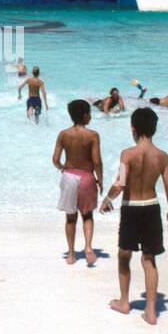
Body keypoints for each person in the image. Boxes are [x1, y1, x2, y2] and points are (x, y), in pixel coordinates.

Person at [101, 107, 168, 326]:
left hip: (131, 208)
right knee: (149, 259)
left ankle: (125, 302)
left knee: (124, 255)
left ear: (133, 129)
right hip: (152, 207)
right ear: (155, 129)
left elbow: (120, 183)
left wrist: (107, 199)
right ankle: (151, 311)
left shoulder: (128, 154)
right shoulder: (162, 156)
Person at [52, 100, 103, 267]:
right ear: (85, 115)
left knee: (70, 218)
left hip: (69, 176)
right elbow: (97, 161)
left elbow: (55, 160)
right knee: (87, 215)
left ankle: (72, 254)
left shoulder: (63, 134)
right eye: (90, 113)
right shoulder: (92, 135)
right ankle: (88, 247)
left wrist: (62, 169)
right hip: (87, 177)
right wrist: (100, 179)